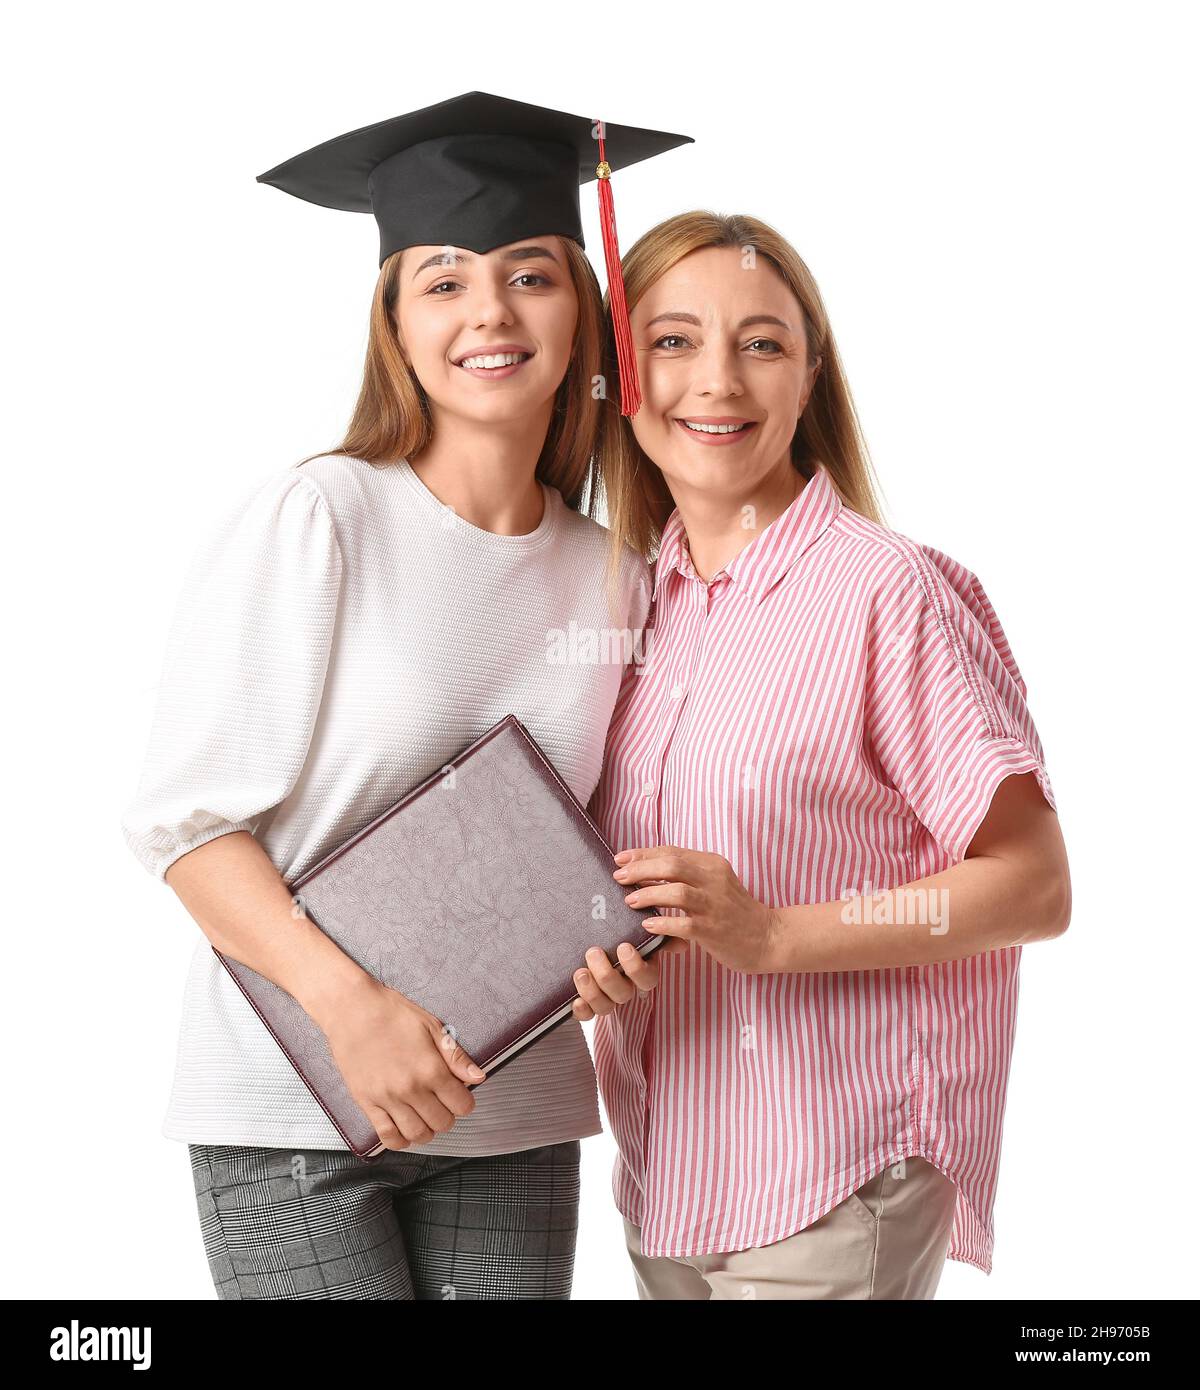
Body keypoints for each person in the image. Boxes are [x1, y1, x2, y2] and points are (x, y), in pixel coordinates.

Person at [119, 93, 690, 1301]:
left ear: (584, 310)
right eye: (442, 281)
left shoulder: (620, 578)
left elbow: (603, 836)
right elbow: (187, 826)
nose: (490, 311)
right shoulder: (323, 517)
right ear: (395, 321)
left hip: (513, 1109)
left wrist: (617, 949)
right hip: (296, 1105)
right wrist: (350, 1009)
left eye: (530, 275)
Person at [583, 210, 1072, 1300]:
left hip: (835, 1165)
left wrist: (773, 933)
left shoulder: (887, 593)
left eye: (761, 343)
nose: (717, 379)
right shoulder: (626, 607)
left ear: (808, 380)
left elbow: (1035, 885)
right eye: (671, 341)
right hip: (667, 1171)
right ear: (622, 379)